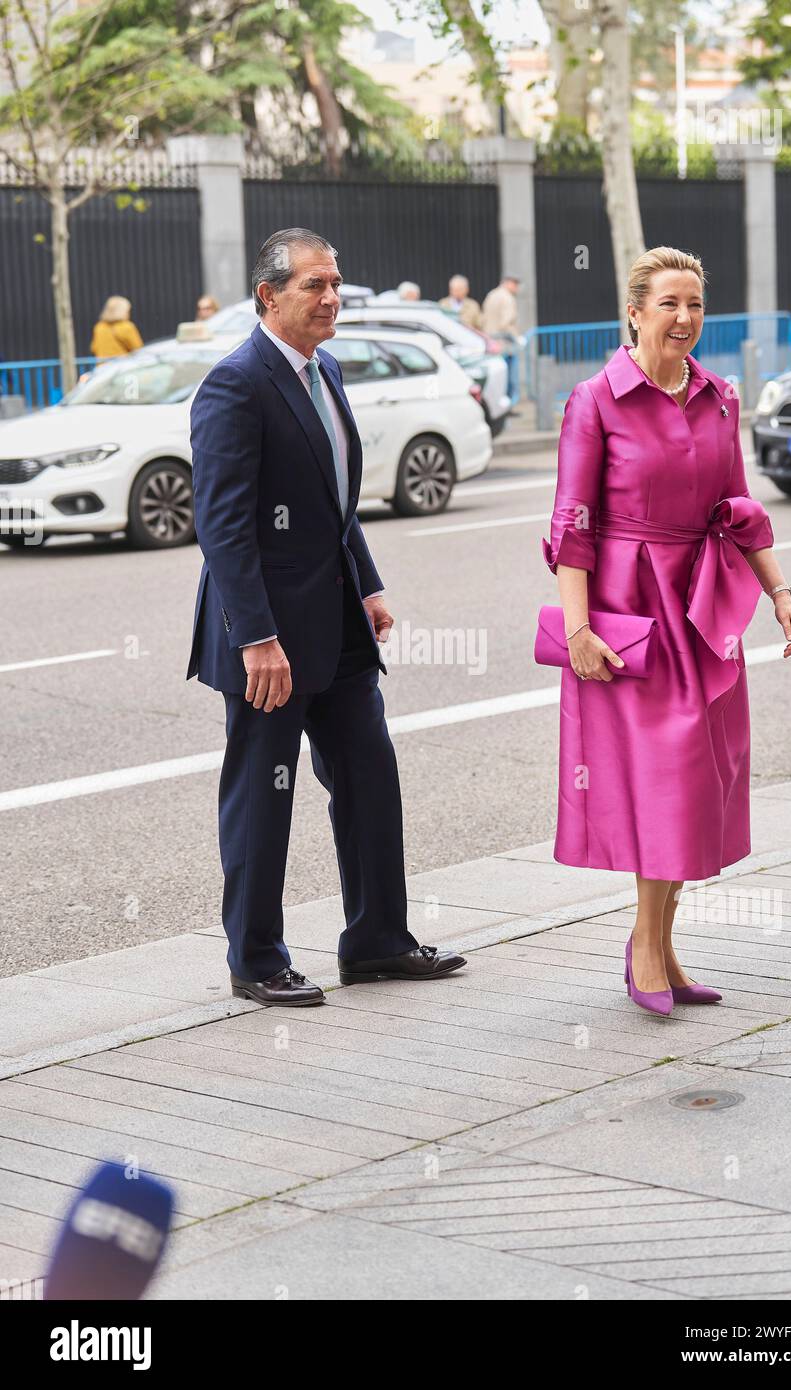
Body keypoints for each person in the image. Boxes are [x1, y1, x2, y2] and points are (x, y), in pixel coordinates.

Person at [187, 227, 465, 1005]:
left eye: (336, 282)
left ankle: (377, 940)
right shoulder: (234, 386)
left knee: (371, 777)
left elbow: (338, 503)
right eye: (314, 285)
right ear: (268, 296)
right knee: (263, 795)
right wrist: (257, 638)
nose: (332, 297)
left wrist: (368, 584)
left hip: (339, 625)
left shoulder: (326, 368)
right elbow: (225, 528)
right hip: (268, 642)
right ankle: (256, 959)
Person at [543, 245, 791, 1017]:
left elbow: (740, 507)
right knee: (661, 783)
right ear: (634, 311)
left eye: (695, 304)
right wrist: (579, 628)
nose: (685, 318)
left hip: (702, 606)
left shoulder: (721, 396)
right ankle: (648, 948)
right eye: (669, 303)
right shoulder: (594, 400)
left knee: (696, 783)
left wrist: (780, 593)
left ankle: (656, 945)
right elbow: (572, 526)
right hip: (630, 611)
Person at [482, 275, 521, 403]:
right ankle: (508, 405)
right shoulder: (507, 298)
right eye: (515, 284)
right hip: (505, 344)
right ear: (508, 283)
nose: (517, 288)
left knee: (497, 378)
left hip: (491, 344)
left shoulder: (491, 295)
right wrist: (517, 338)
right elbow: (506, 322)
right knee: (509, 378)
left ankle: (498, 405)